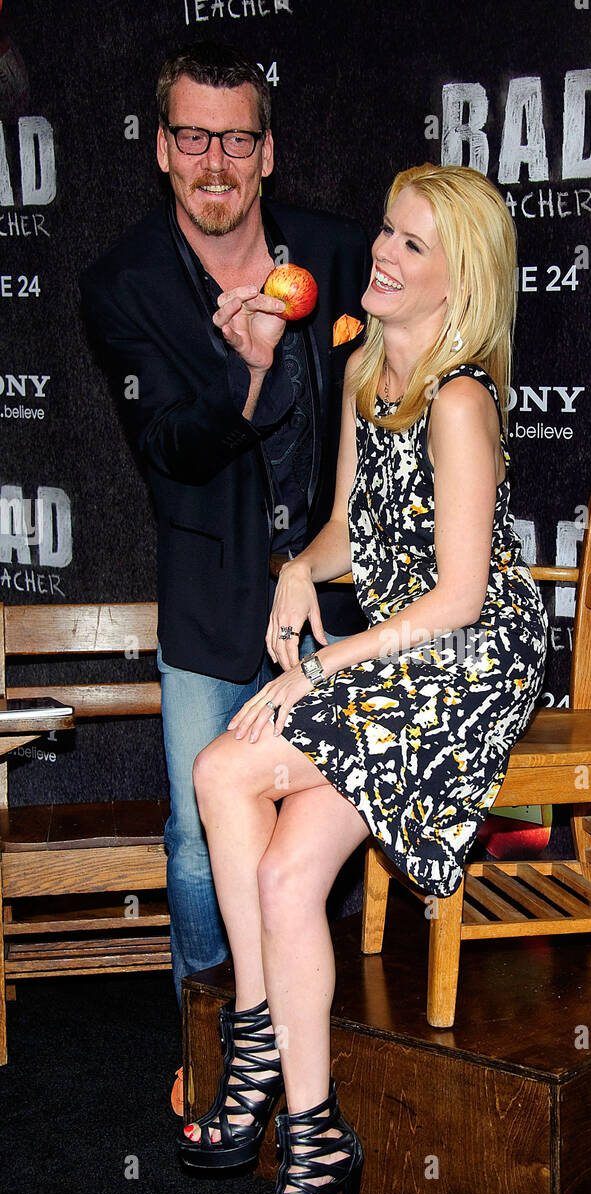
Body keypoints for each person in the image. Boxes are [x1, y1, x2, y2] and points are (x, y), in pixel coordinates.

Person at [180, 163, 549, 1194]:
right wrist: (298, 567)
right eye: (386, 233)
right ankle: (304, 1118)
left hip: (465, 661)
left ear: (460, 282)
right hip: (395, 652)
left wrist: (323, 664)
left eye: (412, 246)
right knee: (253, 828)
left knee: (245, 806)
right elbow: (351, 528)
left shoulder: (460, 398)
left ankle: (273, 1082)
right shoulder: (360, 370)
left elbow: (459, 596)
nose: (381, 254)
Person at [79, 42, 370, 1017]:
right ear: (162, 148)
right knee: (201, 842)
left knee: (318, 834)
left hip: (332, 605)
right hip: (210, 607)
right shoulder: (124, 286)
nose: (216, 162)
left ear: (267, 150)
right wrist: (248, 367)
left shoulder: (334, 255)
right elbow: (172, 449)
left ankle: (308, 1043)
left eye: (235, 138)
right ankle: (215, 1046)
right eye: (194, 137)